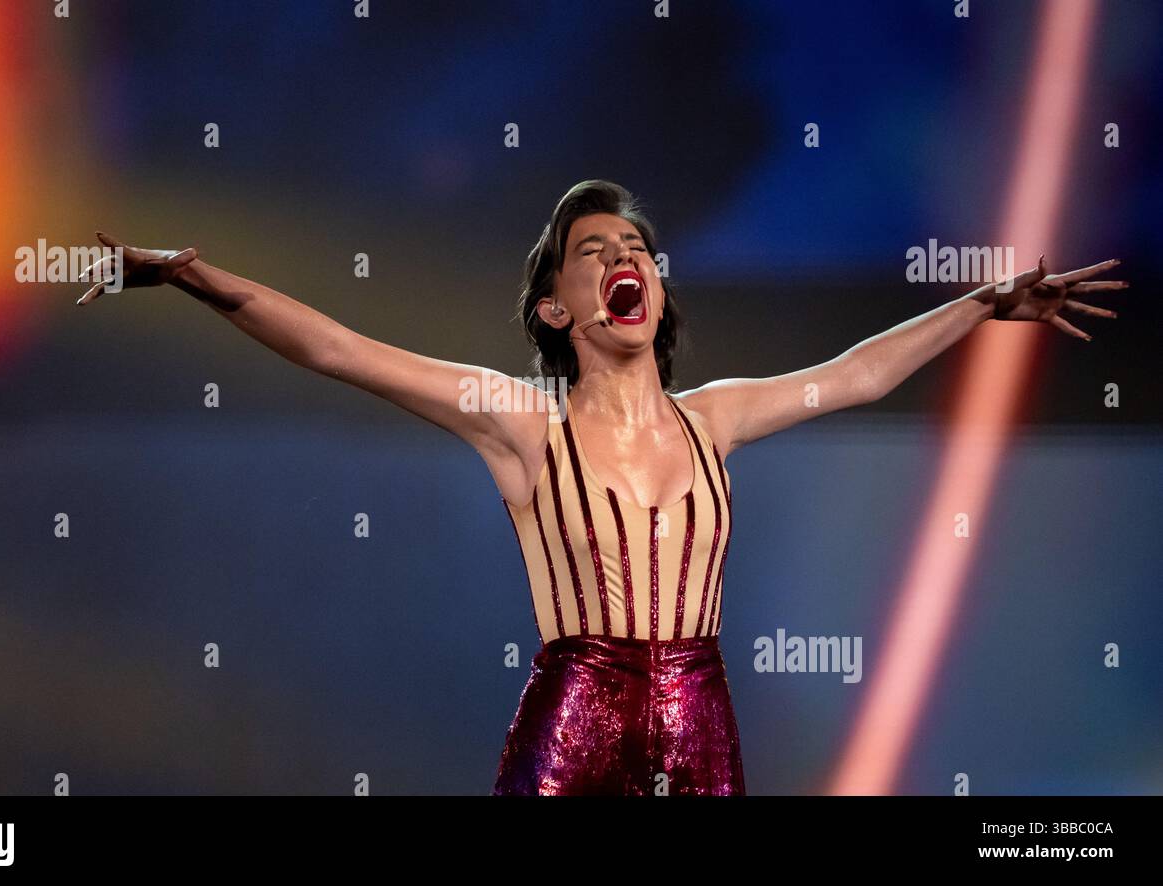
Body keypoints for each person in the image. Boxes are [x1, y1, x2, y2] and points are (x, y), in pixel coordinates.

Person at [76, 179, 1124, 796]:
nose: (623, 257)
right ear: (555, 308)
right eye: (593, 252)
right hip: (573, 720)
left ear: (654, 287)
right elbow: (341, 349)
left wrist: (985, 300)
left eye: (636, 248)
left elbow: (856, 372)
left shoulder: (716, 416)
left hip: (701, 716)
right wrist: (193, 277)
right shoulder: (519, 421)